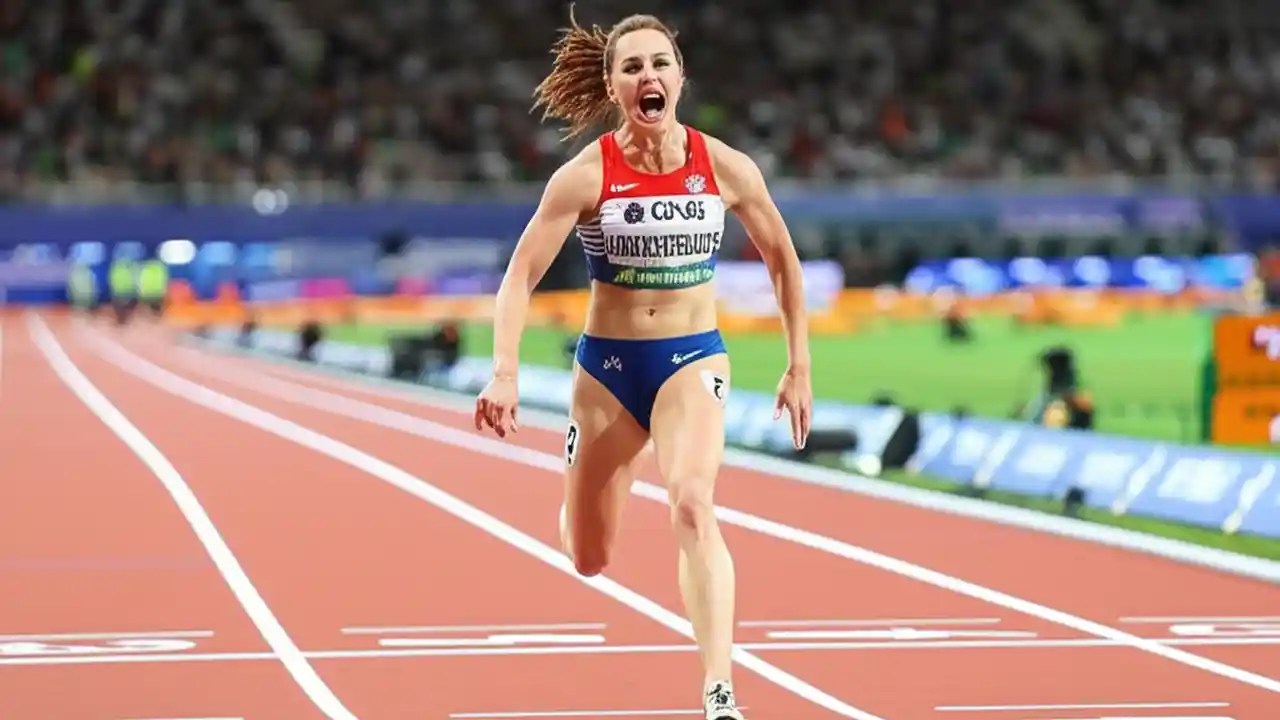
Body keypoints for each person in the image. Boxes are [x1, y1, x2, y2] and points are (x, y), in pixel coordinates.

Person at [474, 8, 812, 720]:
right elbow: (519, 277)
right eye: (631, 67)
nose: (647, 75)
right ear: (614, 87)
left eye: (659, 63)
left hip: (692, 359)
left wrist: (798, 364)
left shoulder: (724, 167)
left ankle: (719, 690)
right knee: (588, 556)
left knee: (692, 501)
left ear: (679, 78)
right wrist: (504, 371)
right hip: (608, 372)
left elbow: (782, 258)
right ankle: (587, 489)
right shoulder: (584, 175)